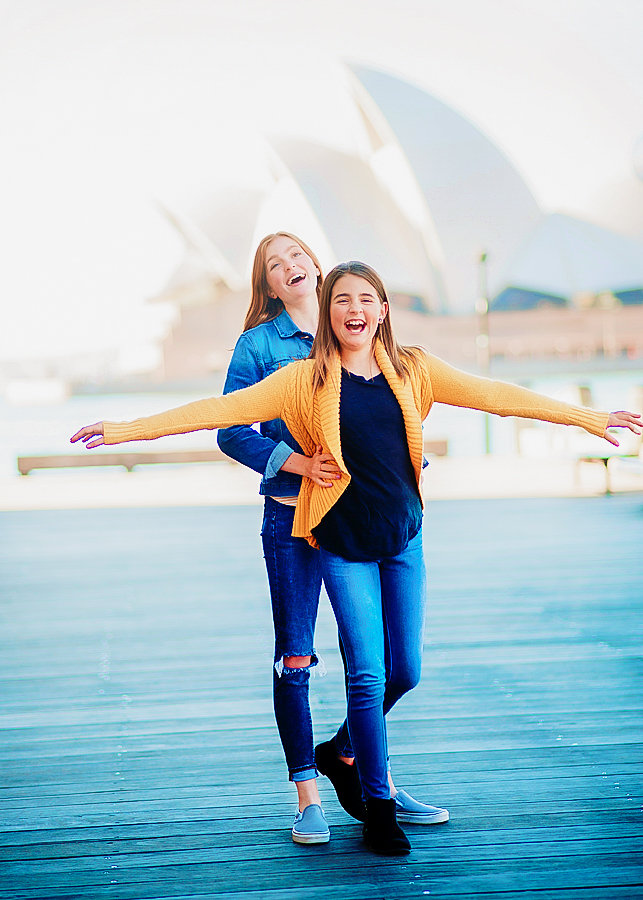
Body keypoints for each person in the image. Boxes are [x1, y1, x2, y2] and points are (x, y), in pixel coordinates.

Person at [71, 260, 641, 856]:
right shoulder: (302, 380)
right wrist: (121, 430)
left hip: (402, 539)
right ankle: (378, 807)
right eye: (342, 300)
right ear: (328, 311)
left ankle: (342, 749)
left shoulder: (413, 369)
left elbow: (496, 396)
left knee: (405, 671)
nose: (354, 310)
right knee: (366, 675)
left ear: (383, 309)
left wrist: (590, 417)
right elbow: (215, 415)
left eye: (366, 299)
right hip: (341, 544)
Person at [214, 233, 446, 845]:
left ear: (317, 268)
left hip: (353, 522)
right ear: (265, 284)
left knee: (382, 667)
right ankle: (308, 798)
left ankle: (361, 767)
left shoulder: (349, 325)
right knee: (296, 657)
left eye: (297, 257)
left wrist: (401, 460)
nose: (289, 268)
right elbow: (229, 431)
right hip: (293, 522)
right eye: (274, 265)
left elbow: (389, 407)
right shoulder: (260, 345)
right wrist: (296, 463)